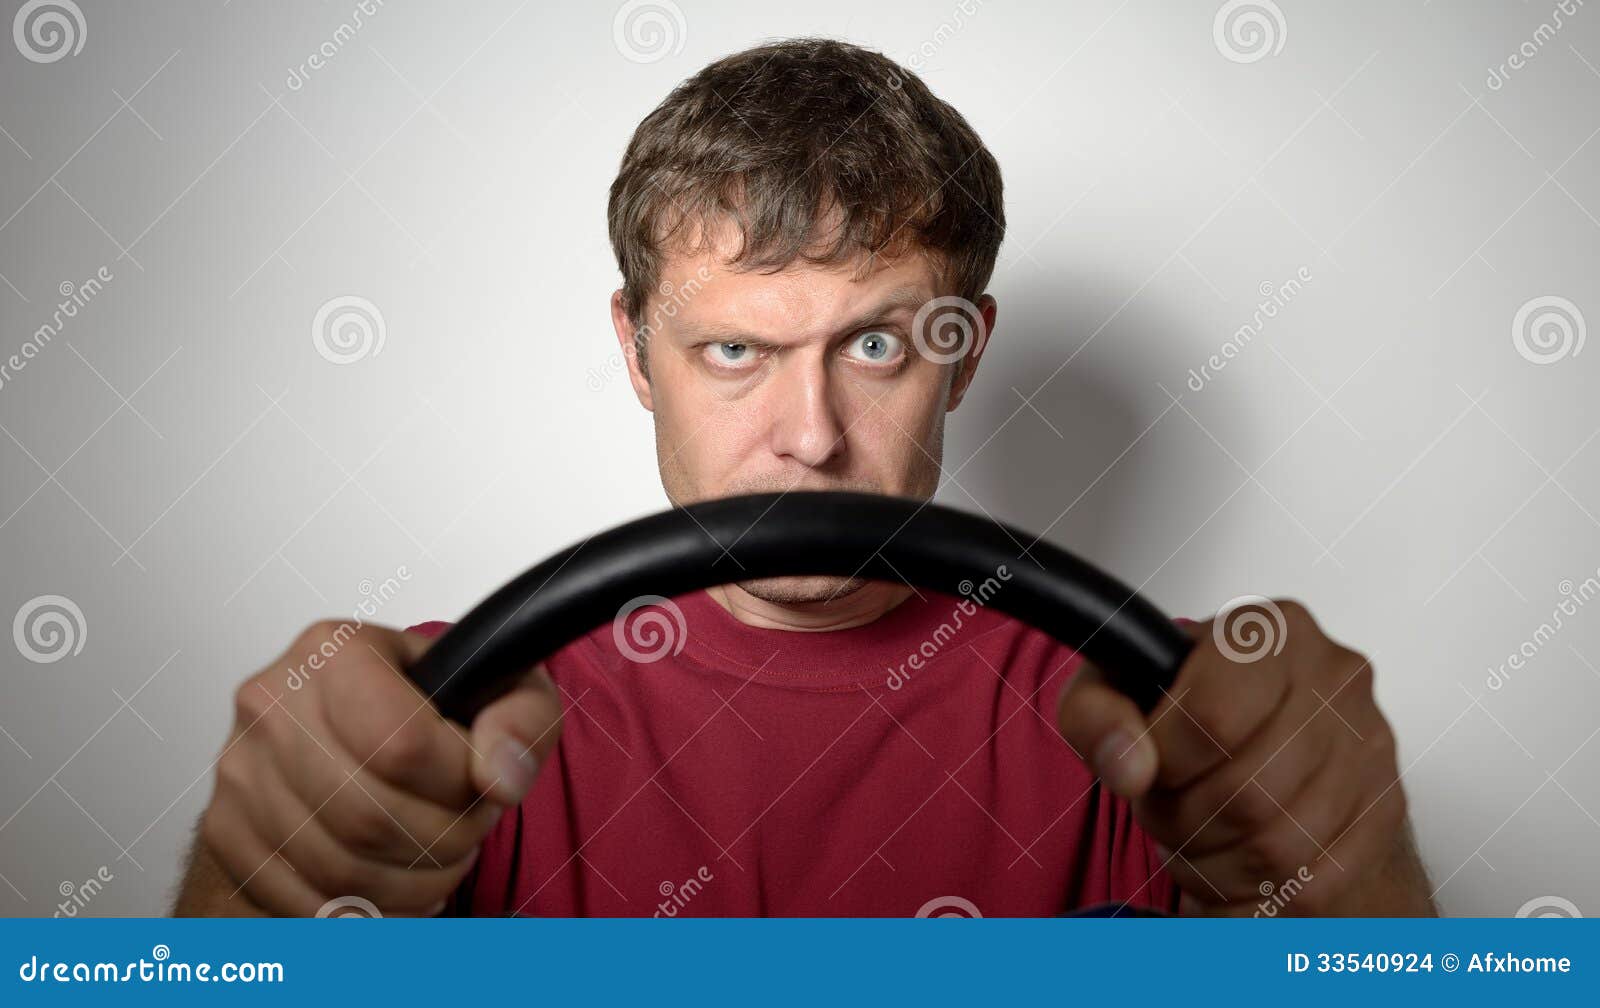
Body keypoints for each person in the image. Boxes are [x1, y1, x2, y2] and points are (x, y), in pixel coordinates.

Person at [172, 37, 1435, 918]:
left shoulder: (1171, 731)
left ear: (962, 354)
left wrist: (1361, 908)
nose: (812, 438)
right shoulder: (429, 734)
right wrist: (240, 923)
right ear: (635, 351)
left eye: (875, 345)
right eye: (734, 350)